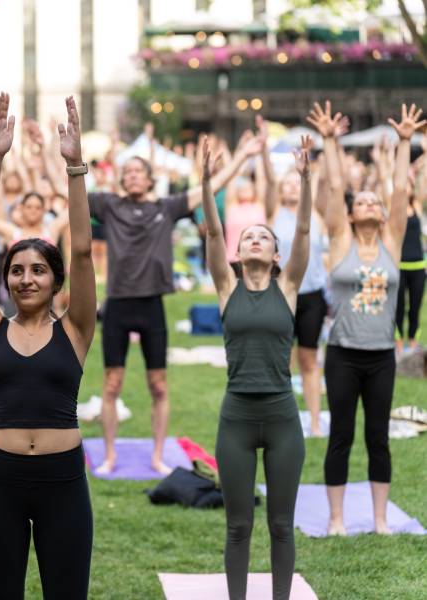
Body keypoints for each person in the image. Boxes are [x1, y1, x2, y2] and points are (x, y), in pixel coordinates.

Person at [0, 94, 96, 599]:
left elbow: (83, 249)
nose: (25, 279)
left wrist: (74, 168)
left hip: (64, 481)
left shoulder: (76, 330)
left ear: (56, 280)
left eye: (38, 270)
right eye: (16, 270)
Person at [90, 128, 263, 474]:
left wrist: (242, 156)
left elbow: (208, 190)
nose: (134, 175)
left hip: (151, 305)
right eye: (129, 172)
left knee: (158, 384)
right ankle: (109, 455)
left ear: (151, 179)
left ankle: (157, 456)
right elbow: (67, 188)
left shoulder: (165, 208)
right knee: (111, 383)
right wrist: (54, 153)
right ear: (122, 179)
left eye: (140, 170)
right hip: (118, 305)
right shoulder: (109, 206)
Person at [203, 135, 312, 600]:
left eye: (263, 238)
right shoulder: (227, 287)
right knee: (238, 525)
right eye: (248, 235)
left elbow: (304, 232)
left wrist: (306, 182)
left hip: (283, 416)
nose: (254, 239)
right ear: (239, 249)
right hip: (237, 419)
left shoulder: (287, 289)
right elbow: (211, 232)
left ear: (275, 256)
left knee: (282, 525)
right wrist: (206, 183)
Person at [311, 102, 424, 535]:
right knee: (342, 435)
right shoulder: (340, 239)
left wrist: (404, 141)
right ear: (353, 212)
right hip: (342, 354)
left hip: (380, 356)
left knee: (378, 437)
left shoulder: (394, 239)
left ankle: (379, 519)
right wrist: (329, 141)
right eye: (363, 201)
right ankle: (337, 518)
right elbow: (338, 184)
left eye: (374, 201)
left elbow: (399, 190)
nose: (372, 203)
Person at [264, 123, 330, 437]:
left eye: (296, 183)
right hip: (281, 295)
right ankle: (283, 419)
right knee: (282, 362)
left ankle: (316, 421)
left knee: (309, 359)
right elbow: (266, 179)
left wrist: (324, 148)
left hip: (313, 295)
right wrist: (263, 148)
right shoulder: (274, 212)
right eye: (286, 183)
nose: (291, 187)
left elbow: (326, 182)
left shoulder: (314, 214)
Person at [396, 189, 424, 353]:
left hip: (418, 266)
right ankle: (398, 344)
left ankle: (413, 343)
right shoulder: (393, 208)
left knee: (415, 307)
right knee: (398, 308)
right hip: (399, 266)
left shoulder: (417, 206)